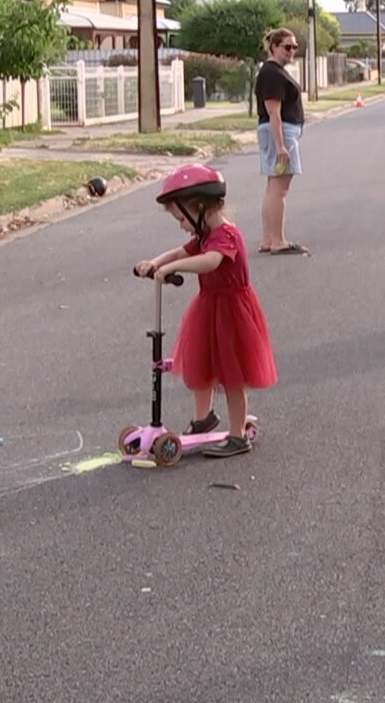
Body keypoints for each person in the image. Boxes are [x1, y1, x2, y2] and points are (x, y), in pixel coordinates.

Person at [132, 164, 275, 458]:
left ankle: (237, 436)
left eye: (180, 218)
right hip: (209, 306)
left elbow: (210, 261)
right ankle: (203, 419)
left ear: (198, 207)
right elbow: (178, 252)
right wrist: (155, 263)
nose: (181, 225)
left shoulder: (226, 235)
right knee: (202, 365)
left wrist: (172, 268)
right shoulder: (203, 235)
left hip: (233, 311)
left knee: (232, 375)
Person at [254, 28, 308, 255]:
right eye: (287, 47)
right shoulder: (272, 74)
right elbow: (274, 112)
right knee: (279, 190)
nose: (291, 51)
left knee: (272, 187)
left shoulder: (272, 72)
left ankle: (268, 239)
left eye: (294, 47)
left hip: (280, 131)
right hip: (281, 131)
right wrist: (281, 146)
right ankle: (278, 240)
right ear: (274, 46)